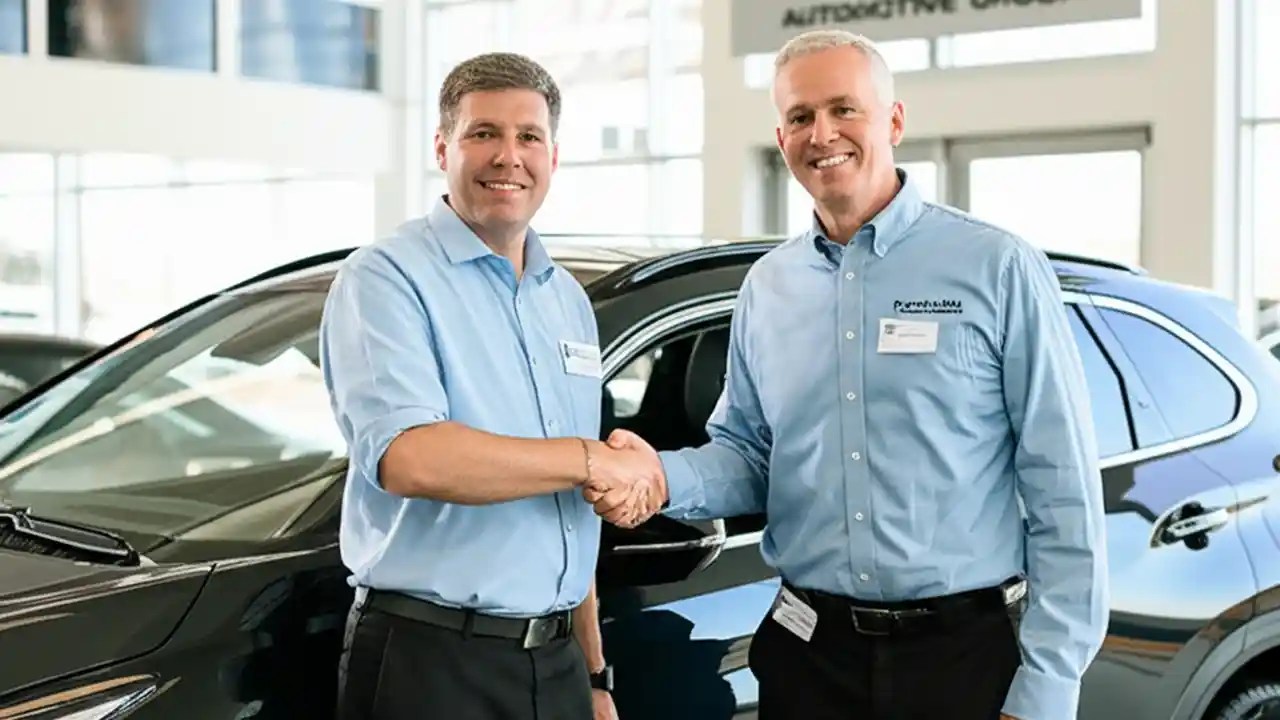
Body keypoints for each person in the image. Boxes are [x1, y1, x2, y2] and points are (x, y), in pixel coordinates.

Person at [588, 30, 1109, 720]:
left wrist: (1046, 688)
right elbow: (751, 457)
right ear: (782, 137)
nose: (822, 133)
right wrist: (655, 474)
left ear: (893, 120)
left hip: (962, 661)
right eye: (801, 117)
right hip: (808, 658)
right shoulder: (769, 288)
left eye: (844, 109)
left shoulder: (997, 268)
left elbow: (1063, 491)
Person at [320, 51, 661, 720]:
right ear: (444, 146)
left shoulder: (565, 299)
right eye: (484, 134)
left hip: (557, 662)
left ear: (553, 158)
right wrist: (593, 459)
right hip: (433, 664)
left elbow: (568, 504)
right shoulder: (386, 279)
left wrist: (594, 674)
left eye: (528, 137)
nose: (509, 156)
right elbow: (410, 457)